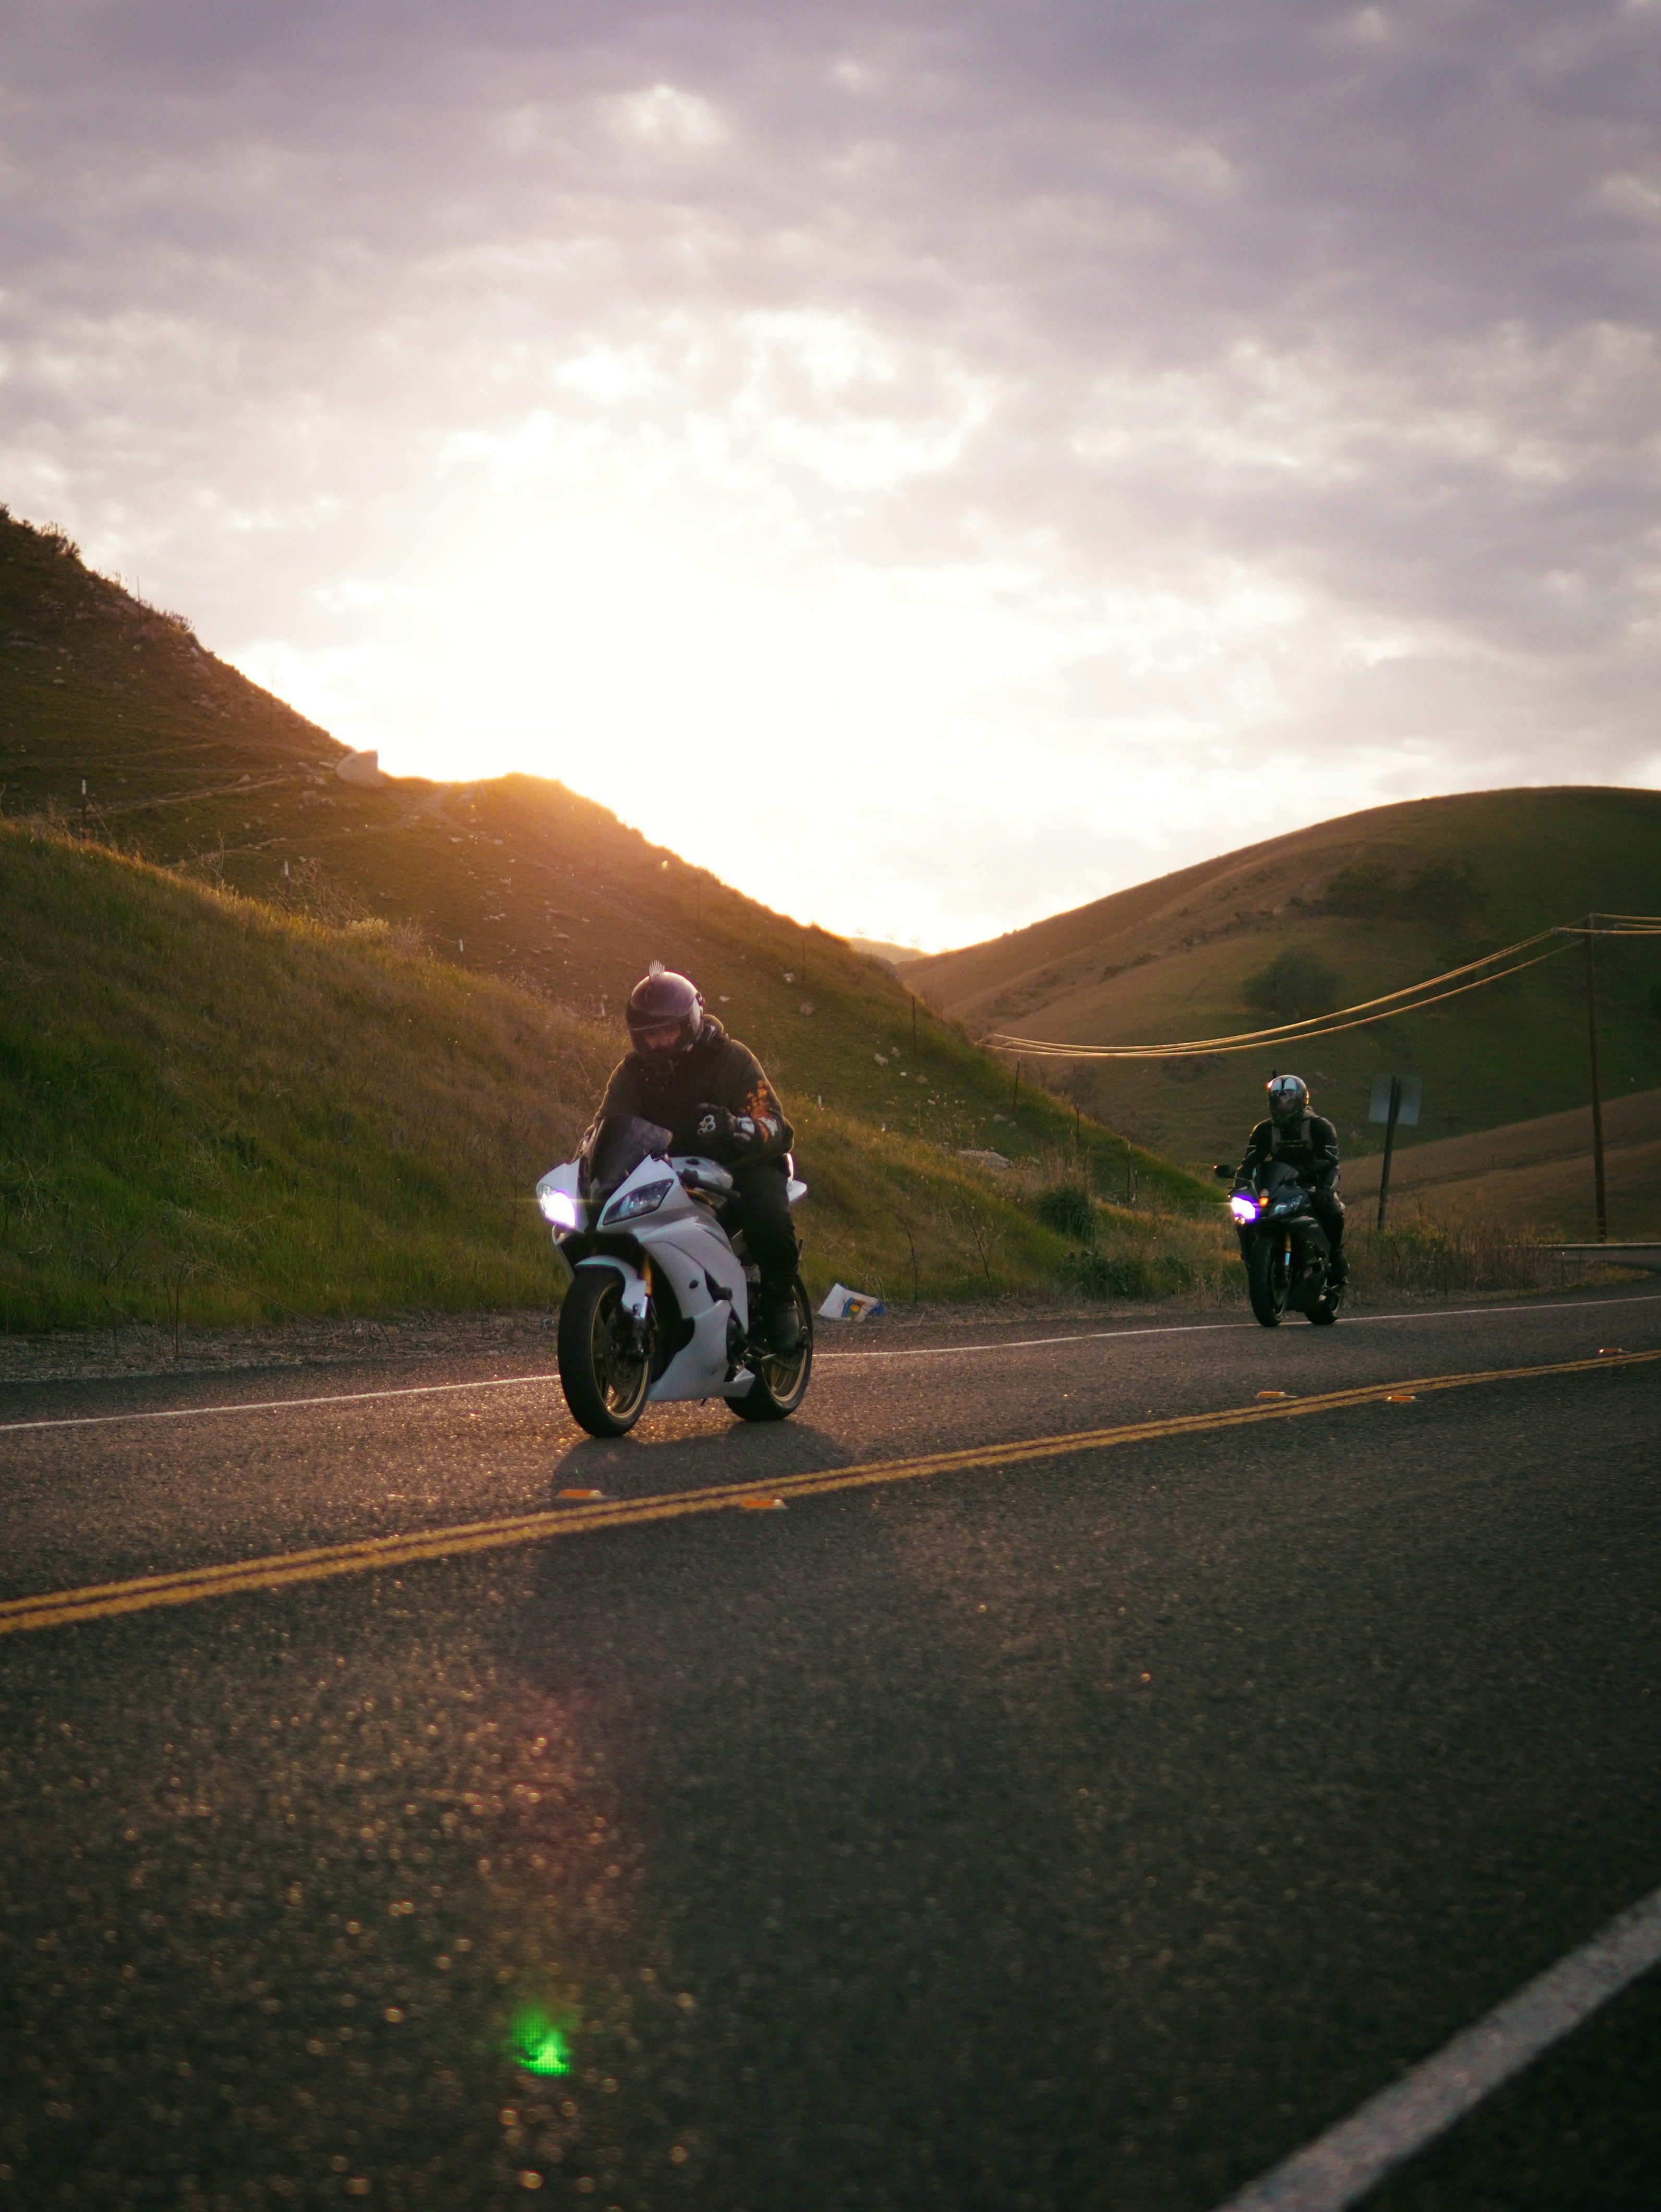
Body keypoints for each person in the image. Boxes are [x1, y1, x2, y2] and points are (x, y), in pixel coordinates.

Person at [595, 965, 803, 1352]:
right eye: (649, 1034)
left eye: (667, 1031)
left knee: (767, 1215)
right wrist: (591, 1156)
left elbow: (775, 1125)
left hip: (740, 1167)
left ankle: (779, 1299)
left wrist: (734, 1126)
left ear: (689, 1023)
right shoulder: (632, 1072)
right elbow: (607, 1124)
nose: (658, 1042)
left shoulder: (731, 1059)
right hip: (671, 1174)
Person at [1237, 1072, 1348, 1281]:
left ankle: (1335, 1255)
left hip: (1313, 1181)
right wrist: (1239, 1186)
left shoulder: (1319, 1127)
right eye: (1278, 1101)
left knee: (1332, 1210)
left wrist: (1325, 1189)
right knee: (1244, 1215)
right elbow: (1250, 1162)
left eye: (1288, 1100)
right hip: (1276, 1184)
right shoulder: (1264, 1130)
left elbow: (1330, 1162)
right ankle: (1250, 1256)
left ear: (1301, 1101)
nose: (1283, 1106)